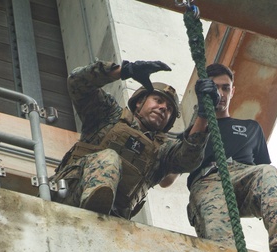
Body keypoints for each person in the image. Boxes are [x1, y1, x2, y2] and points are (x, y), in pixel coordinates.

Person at [53, 60, 216, 219]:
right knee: (110, 157)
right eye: (158, 101)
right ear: (139, 102)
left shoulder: (163, 151)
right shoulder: (107, 115)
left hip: (113, 218)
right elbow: (77, 82)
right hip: (69, 196)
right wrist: (124, 70)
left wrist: (203, 116)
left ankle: (98, 215)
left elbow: (188, 159)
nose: (163, 108)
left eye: (169, 109)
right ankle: (95, 208)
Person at [187, 63, 277, 252]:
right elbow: (171, 174)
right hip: (208, 180)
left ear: (232, 91)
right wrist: (202, 115)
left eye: (225, 88)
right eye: (215, 88)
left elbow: (262, 175)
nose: (221, 93)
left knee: (269, 171)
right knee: (223, 248)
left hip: (243, 175)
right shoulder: (194, 130)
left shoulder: (251, 128)